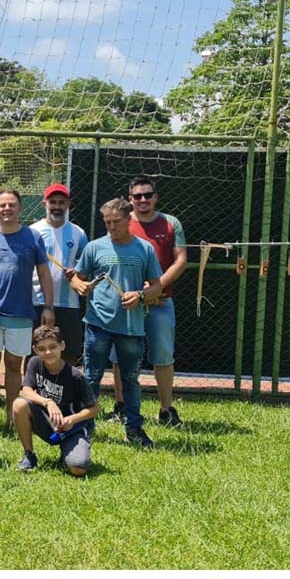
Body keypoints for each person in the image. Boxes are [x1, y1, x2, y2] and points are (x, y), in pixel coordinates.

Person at [71, 198, 164, 448]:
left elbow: (157, 286)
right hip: (98, 324)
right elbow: (77, 279)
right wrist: (81, 286)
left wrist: (141, 296)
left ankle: (133, 428)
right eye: (107, 222)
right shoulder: (94, 247)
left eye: (116, 222)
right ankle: (84, 427)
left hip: (132, 327)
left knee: (131, 379)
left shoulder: (144, 249)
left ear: (128, 220)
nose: (111, 227)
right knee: (91, 377)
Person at [0, 190, 54, 430]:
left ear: (20, 209)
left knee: (15, 365)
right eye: (2, 205)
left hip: (21, 312)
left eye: (12, 205)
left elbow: (44, 273)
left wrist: (48, 306)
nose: (7, 209)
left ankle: (11, 414)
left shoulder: (33, 237)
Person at [112, 175, 189, 427]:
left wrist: (156, 288)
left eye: (147, 195)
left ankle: (166, 410)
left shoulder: (170, 223)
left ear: (156, 197)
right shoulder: (121, 222)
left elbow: (181, 261)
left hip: (161, 303)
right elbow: (112, 256)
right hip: (127, 304)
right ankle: (121, 407)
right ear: (129, 198)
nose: (142, 200)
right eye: (137, 196)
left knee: (163, 357)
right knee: (121, 357)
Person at [12, 325, 99, 476]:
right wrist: (48, 402)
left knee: (78, 469)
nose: (48, 352)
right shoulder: (34, 363)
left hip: (72, 428)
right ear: (35, 350)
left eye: (53, 347)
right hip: (47, 421)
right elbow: (26, 390)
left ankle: (70, 451)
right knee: (19, 404)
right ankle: (29, 455)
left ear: (62, 346)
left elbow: (95, 409)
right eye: (42, 348)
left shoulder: (75, 376)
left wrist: (72, 419)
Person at [30, 184, 89, 366]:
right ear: (44, 203)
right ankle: (33, 391)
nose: (57, 206)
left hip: (68, 303)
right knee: (35, 354)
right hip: (37, 301)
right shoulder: (33, 231)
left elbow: (85, 267)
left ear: (68, 205)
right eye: (52, 202)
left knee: (68, 352)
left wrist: (78, 273)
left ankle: (65, 391)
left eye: (61, 202)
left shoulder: (78, 233)